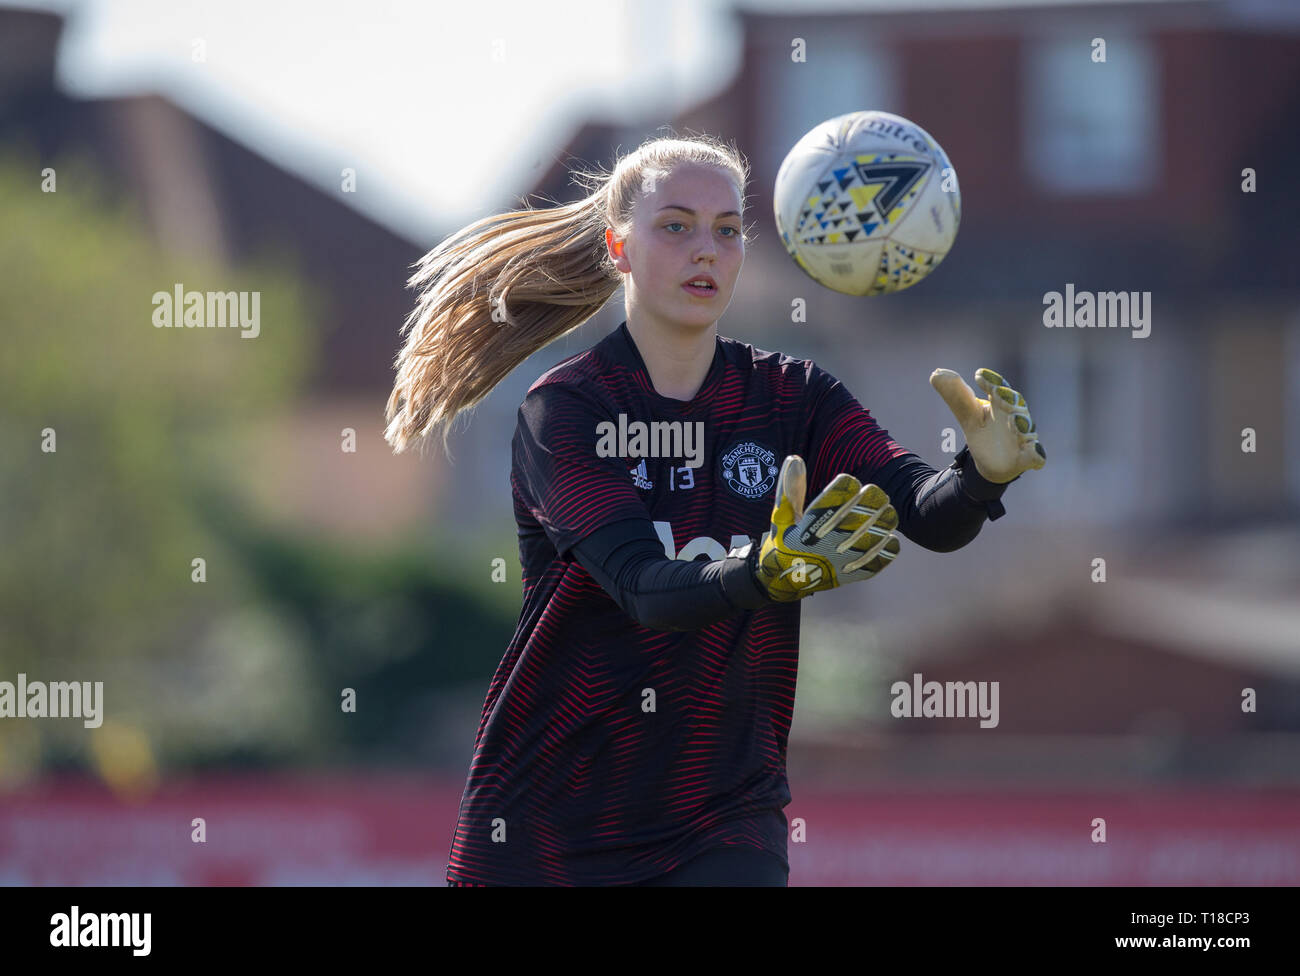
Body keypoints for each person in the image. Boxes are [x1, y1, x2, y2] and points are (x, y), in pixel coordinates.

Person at [383, 132, 1046, 887]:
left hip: (724, 817)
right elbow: (643, 588)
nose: (707, 248)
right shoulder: (567, 408)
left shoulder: (794, 396)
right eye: (676, 225)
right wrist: (764, 571)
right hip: (548, 825)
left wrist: (982, 476)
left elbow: (927, 514)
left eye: (727, 230)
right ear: (619, 247)